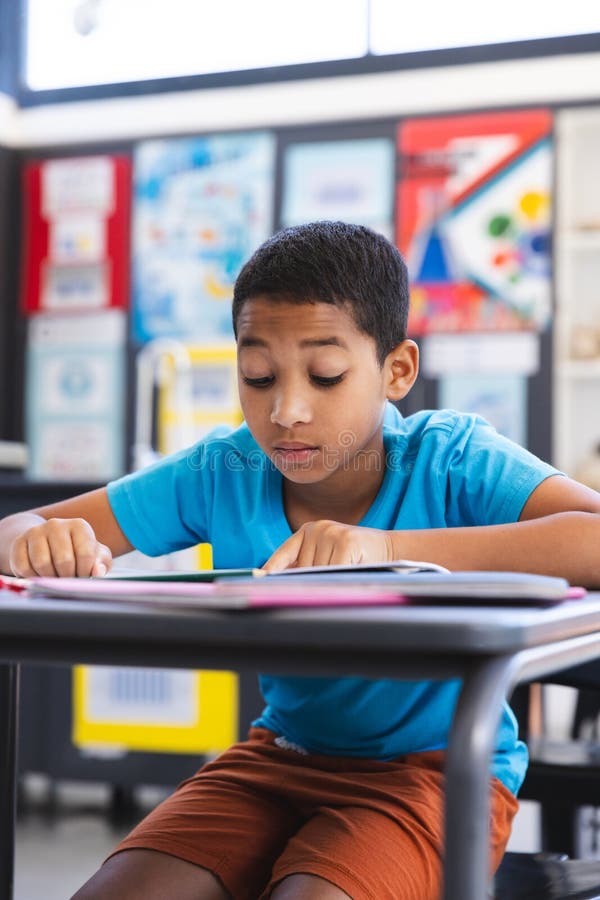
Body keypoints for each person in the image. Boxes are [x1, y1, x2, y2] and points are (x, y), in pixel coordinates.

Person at [2, 221, 600, 900]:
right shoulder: (225, 468)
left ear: (396, 371)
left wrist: (388, 551)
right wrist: (33, 536)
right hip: (279, 759)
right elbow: (18, 530)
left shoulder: (452, 459)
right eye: (258, 377)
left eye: (325, 375)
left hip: (436, 772)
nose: (286, 411)